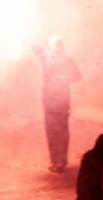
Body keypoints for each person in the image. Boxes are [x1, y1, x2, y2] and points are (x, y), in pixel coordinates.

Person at [33, 36, 82, 172]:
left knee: (61, 130)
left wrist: (64, 78)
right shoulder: (47, 59)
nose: (56, 47)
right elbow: (36, 49)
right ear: (50, 47)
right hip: (48, 100)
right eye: (53, 45)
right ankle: (54, 161)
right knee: (50, 131)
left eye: (59, 45)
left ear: (62, 47)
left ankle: (61, 161)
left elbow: (78, 76)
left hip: (62, 100)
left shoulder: (68, 61)